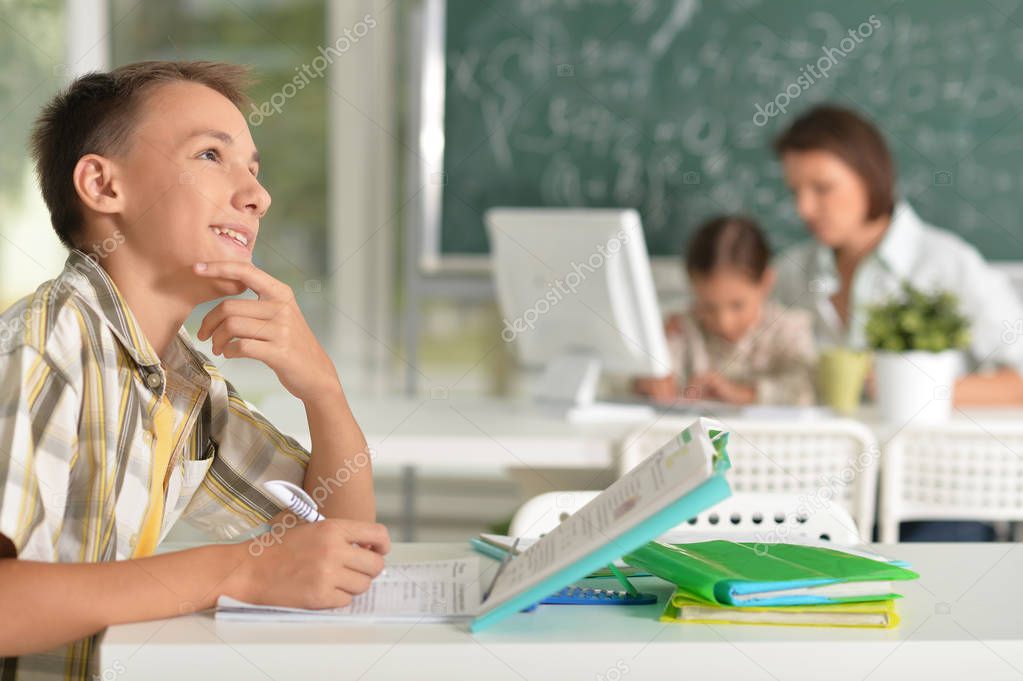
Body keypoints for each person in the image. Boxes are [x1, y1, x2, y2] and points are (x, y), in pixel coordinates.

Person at [0, 61, 391, 679]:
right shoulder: (44, 348)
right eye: (211, 156)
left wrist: (324, 390)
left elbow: (337, 546)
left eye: (255, 172)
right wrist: (235, 570)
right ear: (103, 187)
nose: (257, 196)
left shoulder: (181, 380)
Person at [772, 104, 1023, 405]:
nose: (804, 209)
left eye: (822, 188)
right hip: (817, 449)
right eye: (794, 192)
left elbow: (1018, 381)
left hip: (922, 450)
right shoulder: (789, 271)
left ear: (870, 176)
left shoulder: (949, 264)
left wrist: (918, 389)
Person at [635, 215, 816, 406]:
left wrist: (744, 394)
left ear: (766, 282)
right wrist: (651, 380)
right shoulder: (681, 328)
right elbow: (648, 381)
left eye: (737, 305)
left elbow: (807, 389)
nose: (724, 322)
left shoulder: (790, 329)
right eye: (708, 307)